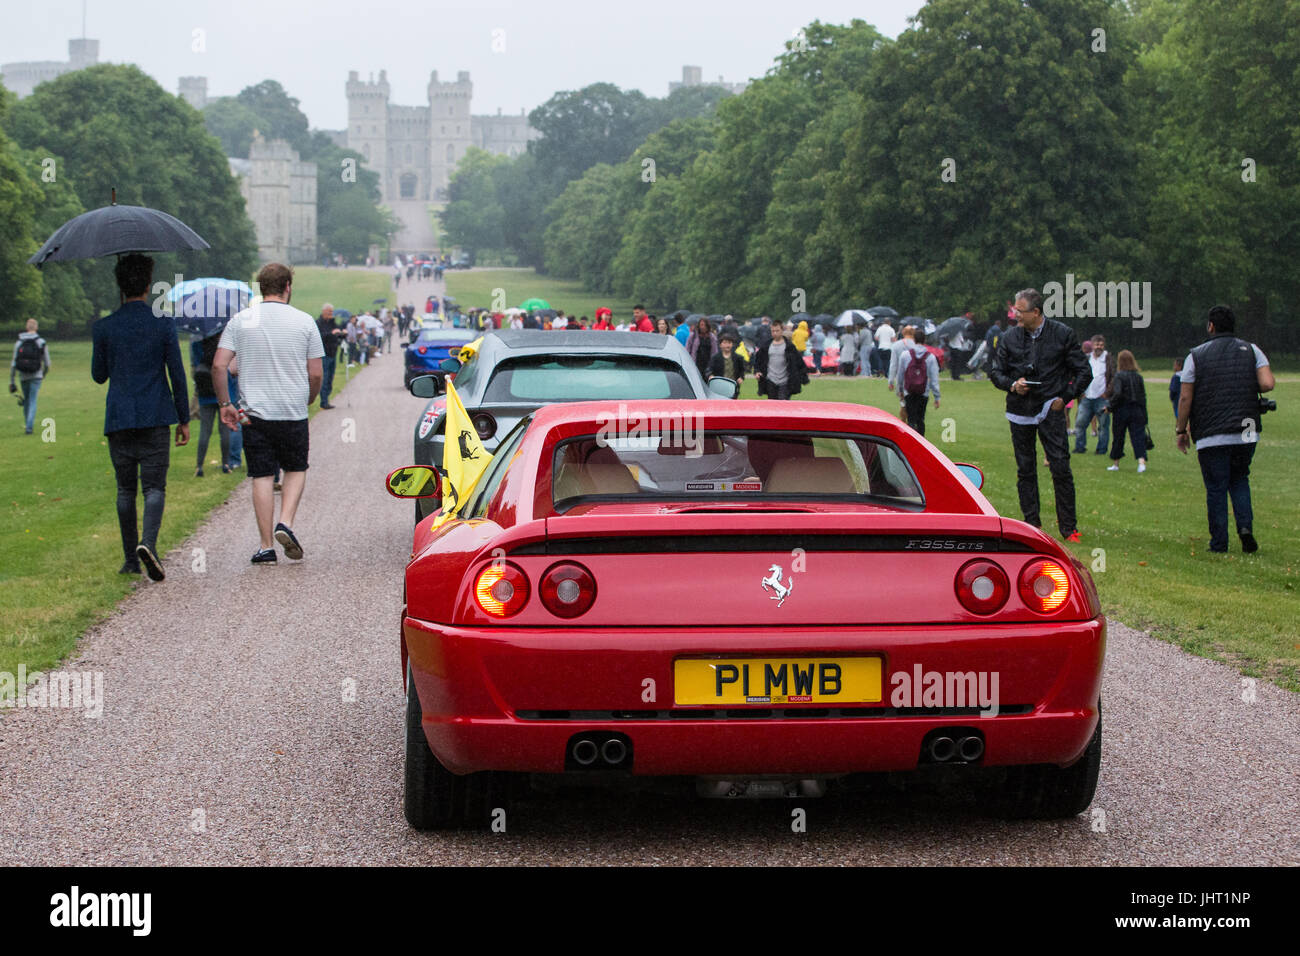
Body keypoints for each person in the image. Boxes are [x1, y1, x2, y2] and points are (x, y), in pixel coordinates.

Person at [213, 263, 324, 565]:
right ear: (288, 286)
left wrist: (225, 404)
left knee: (261, 475)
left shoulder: (241, 320)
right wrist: (310, 398)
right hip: (291, 409)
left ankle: (265, 546)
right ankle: (285, 522)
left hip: (253, 413)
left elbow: (220, 365)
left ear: (261, 287)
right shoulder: (304, 322)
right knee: (296, 468)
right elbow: (315, 373)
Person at [91, 254, 190, 580]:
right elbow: (176, 374)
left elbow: (99, 375)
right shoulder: (162, 323)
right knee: (154, 488)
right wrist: (184, 418)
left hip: (119, 416)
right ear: (148, 285)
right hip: (155, 415)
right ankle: (148, 543)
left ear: (119, 285)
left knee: (124, 490)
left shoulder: (104, 327)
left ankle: (130, 560)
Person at [990, 288, 1091, 542]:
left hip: (1050, 409)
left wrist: (1064, 399)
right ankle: (1032, 524)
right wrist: (1013, 384)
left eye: (1019, 311)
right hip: (1019, 411)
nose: (1015, 315)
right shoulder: (1009, 337)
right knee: (1025, 469)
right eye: (1014, 310)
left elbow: (1083, 372)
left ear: (1036, 312)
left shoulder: (1063, 334)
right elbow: (996, 372)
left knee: (1060, 467)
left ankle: (1069, 528)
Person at [1175, 304, 1274, 554]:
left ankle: (1219, 542)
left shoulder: (1195, 356)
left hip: (1211, 432)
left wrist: (1181, 430)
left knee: (1216, 487)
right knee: (1240, 479)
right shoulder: (1252, 350)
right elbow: (1267, 383)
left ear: (1211, 326)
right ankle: (1245, 529)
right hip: (1247, 428)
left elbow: (1185, 398)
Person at [190, 331, 231, 475]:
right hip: (223, 390)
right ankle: (226, 463)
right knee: (225, 429)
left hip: (205, 390)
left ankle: (199, 465)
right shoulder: (225, 340)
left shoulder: (197, 341)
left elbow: (195, 362)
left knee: (205, 430)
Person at [1106, 350, 1148, 473]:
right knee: (1138, 437)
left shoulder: (1119, 376)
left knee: (1118, 437)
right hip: (1137, 410)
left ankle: (1116, 463)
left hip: (1122, 410)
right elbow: (1143, 396)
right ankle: (1141, 463)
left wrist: (1110, 407)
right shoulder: (1138, 377)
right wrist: (1144, 415)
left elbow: (1118, 394)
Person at [1074, 334, 1113, 454]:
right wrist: (1081, 392)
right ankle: (1080, 447)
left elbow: (1113, 377)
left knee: (1103, 426)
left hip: (1102, 398)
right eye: (1096, 344)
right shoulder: (1087, 358)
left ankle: (1101, 449)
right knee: (1080, 424)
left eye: (1101, 345)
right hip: (1087, 397)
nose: (1099, 347)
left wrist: (1107, 393)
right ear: (1092, 345)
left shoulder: (1108, 358)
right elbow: (1079, 375)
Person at [896, 328, 940, 435]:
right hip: (923, 392)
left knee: (911, 418)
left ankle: (910, 441)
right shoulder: (930, 357)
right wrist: (937, 396)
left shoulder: (905, 355)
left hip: (909, 391)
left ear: (914, 340)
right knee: (920, 418)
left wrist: (900, 391)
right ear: (924, 340)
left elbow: (900, 375)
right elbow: (934, 378)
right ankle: (921, 441)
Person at [10, 318, 50, 434]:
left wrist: (12, 380)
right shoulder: (41, 342)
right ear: (36, 328)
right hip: (36, 375)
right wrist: (43, 374)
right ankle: (29, 426)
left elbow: (13, 364)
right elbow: (47, 363)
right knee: (32, 400)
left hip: (23, 375)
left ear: (27, 328)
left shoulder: (19, 343)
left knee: (27, 400)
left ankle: (27, 423)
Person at [753, 324, 809, 400]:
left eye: (777, 331)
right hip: (770, 380)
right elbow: (758, 360)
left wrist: (804, 378)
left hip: (785, 381)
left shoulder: (790, 347)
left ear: (782, 331)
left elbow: (799, 363)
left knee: (783, 403)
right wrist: (757, 371)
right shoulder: (766, 346)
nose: (775, 333)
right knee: (772, 403)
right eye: (773, 331)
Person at [316, 303, 345, 409]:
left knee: (330, 378)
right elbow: (320, 336)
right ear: (324, 311)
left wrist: (342, 333)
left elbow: (337, 333)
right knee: (325, 377)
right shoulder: (318, 323)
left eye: (332, 311)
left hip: (333, 353)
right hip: (324, 354)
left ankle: (326, 398)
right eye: (329, 311)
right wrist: (332, 333)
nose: (331, 314)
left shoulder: (332, 323)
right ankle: (324, 401)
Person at [1169, 357, 1183, 423]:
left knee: (1179, 420)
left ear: (1179, 366)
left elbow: (1173, 390)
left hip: (1177, 402)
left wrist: (1171, 398)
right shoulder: (1186, 375)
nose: (1173, 367)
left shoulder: (1176, 377)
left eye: (1175, 365)